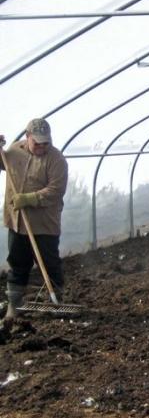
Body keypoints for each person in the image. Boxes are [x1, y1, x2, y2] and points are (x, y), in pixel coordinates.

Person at [0, 118, 68, 322]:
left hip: (44, 223)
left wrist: (30, 198)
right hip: (17, 221)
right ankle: (14, 305)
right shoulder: (14, 151)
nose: (41, 146)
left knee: (49, 263)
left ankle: (56, 301)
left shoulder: (56, 160)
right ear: (27, 137)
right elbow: (2, 163)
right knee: (18, 262)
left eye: (45, 142)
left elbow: (56, 191)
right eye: (37, 142)